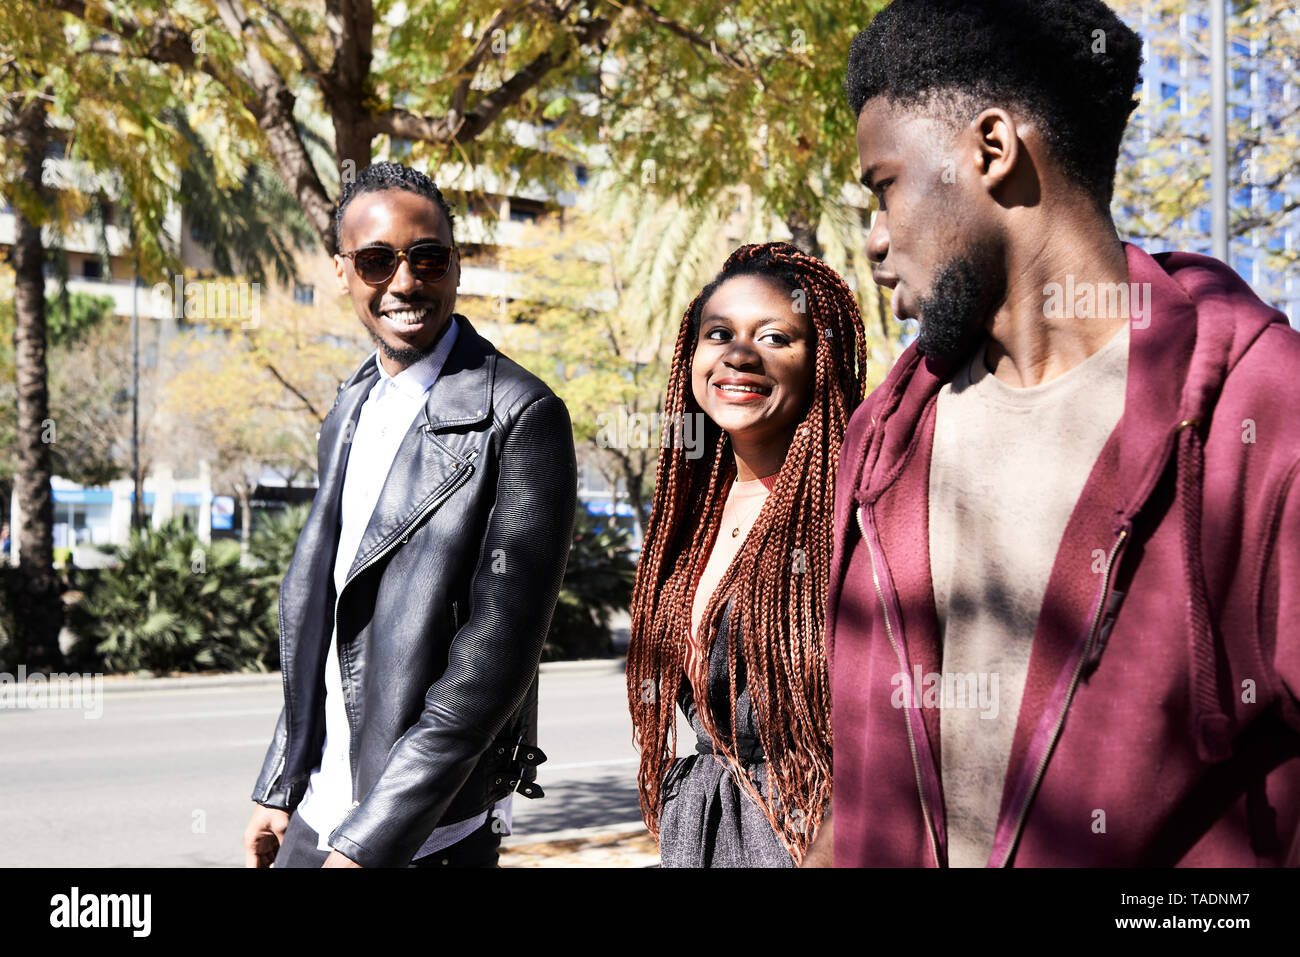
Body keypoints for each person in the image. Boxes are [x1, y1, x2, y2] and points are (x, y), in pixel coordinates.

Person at [817, 0, 1300, 867]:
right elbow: (854, 797)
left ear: (991, 151)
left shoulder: (1262, 417)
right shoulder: (881, 439)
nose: (876, 239)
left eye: (883, 185)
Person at [242, 162, 577, 868]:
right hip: (318, 815)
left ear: (456, 266)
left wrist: (373, 840)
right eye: (375, 261)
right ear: (341, 273)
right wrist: (282, 780)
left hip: (425, 836)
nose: (404, 282)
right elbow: (331, 615)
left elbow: (492, 666)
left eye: (428, 258)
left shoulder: (520, 416)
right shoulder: (353, 401)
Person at [627, 242, 867, 866]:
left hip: (808, 838)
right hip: (703, 832)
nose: (739, 354)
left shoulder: (856, 511)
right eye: (719, 333)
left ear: (821, 364)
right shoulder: (689, 517)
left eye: (775, 337)